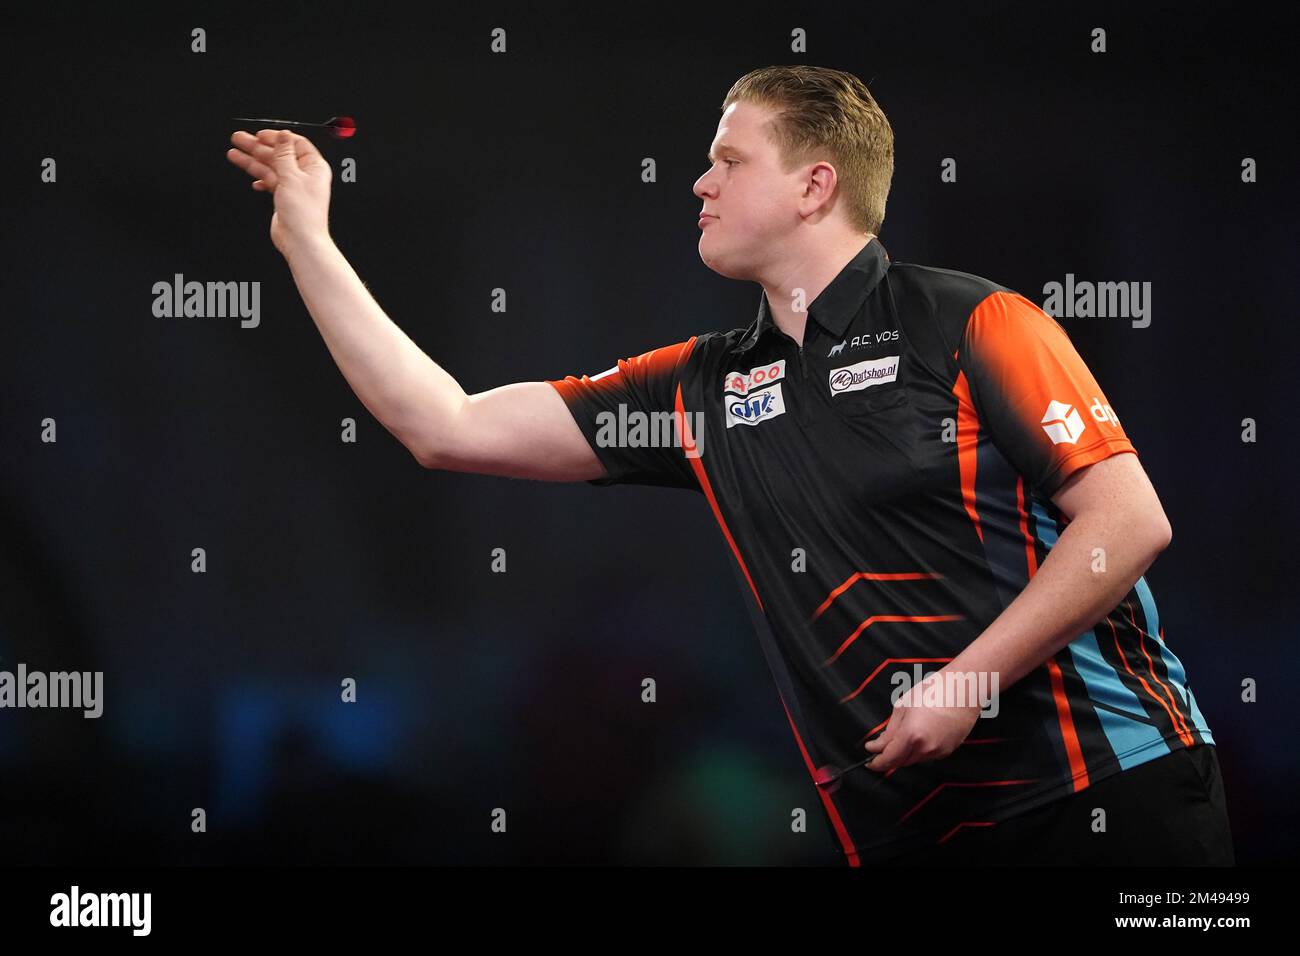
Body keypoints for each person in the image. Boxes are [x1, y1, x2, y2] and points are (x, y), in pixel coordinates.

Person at [225, 65, 1232, 866]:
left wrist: (967, 680)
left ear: (814, 184)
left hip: (1105, 791)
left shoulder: (972, 320)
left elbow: (1127, 522)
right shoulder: (702, 390)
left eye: (726, 160)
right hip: (900, 830)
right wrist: (306, 238)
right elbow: (442, 423)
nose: (698, 182)